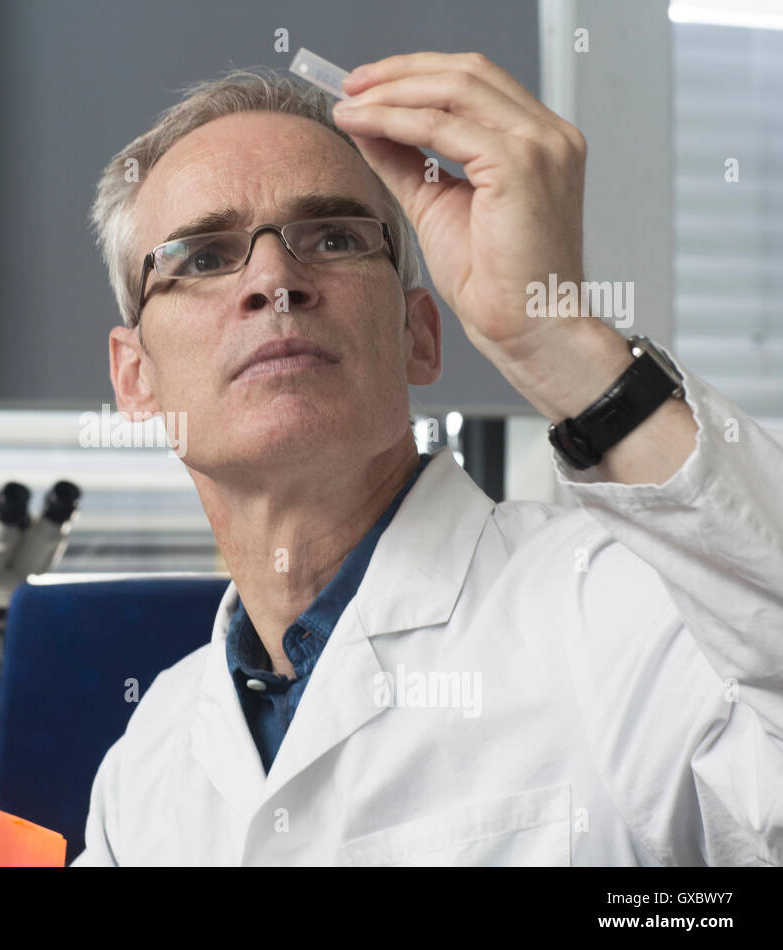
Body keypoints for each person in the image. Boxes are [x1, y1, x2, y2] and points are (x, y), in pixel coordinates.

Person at [73, 52, 783, 865]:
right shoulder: (149, 758)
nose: (275, 278)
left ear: (419, 333)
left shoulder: (615, 611)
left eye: (333, 237)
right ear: (136, 379)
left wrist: (558, 342)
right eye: (202, 257)